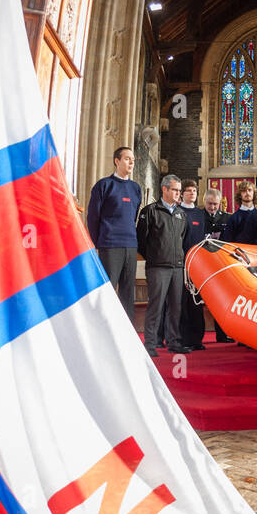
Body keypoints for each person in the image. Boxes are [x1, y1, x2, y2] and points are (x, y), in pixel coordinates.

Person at [136, 174, 191, 357]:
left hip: (177, 267)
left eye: (179, 190)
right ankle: (150, 345)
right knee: (156, 306)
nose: (178, 193)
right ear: (164, 189)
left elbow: (183, 239)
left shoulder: (181, 214)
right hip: (157, 267)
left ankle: (174, 342)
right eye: (175, 190)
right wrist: (154, 256)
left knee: (176, 307)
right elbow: (141, 240)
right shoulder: (150, 211)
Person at [86, 146, 141, 321]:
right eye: (127, 158)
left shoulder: (135, 188)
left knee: (127, 292)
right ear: (117, 161)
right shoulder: (104, 185)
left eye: (132, 159)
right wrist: (99, 243)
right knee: (108, 291)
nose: (131, 162)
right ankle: (105, 329)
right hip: (110, 245)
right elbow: (93, 217)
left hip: (130, 246)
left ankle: (128, 334)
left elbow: (133, 216)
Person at [200, 188, 235, 343]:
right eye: (209, 204)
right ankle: (195, 337)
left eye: (215, 204)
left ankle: (222, 334)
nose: (212, 207)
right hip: (202, 264)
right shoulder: (198, 216)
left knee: (222, 300)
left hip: (221, 265)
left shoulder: (228, 218)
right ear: (204, 201)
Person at [178, 181, 210, 350]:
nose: (192, 193)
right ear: (182, 194)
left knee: (196, 302)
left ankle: (197, 339)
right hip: (181, 264)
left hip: (197, 264)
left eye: (194, 191)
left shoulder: (200, 214)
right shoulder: (178, 212)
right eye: (188, 191)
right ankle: (183, 339)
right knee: (183, 303)